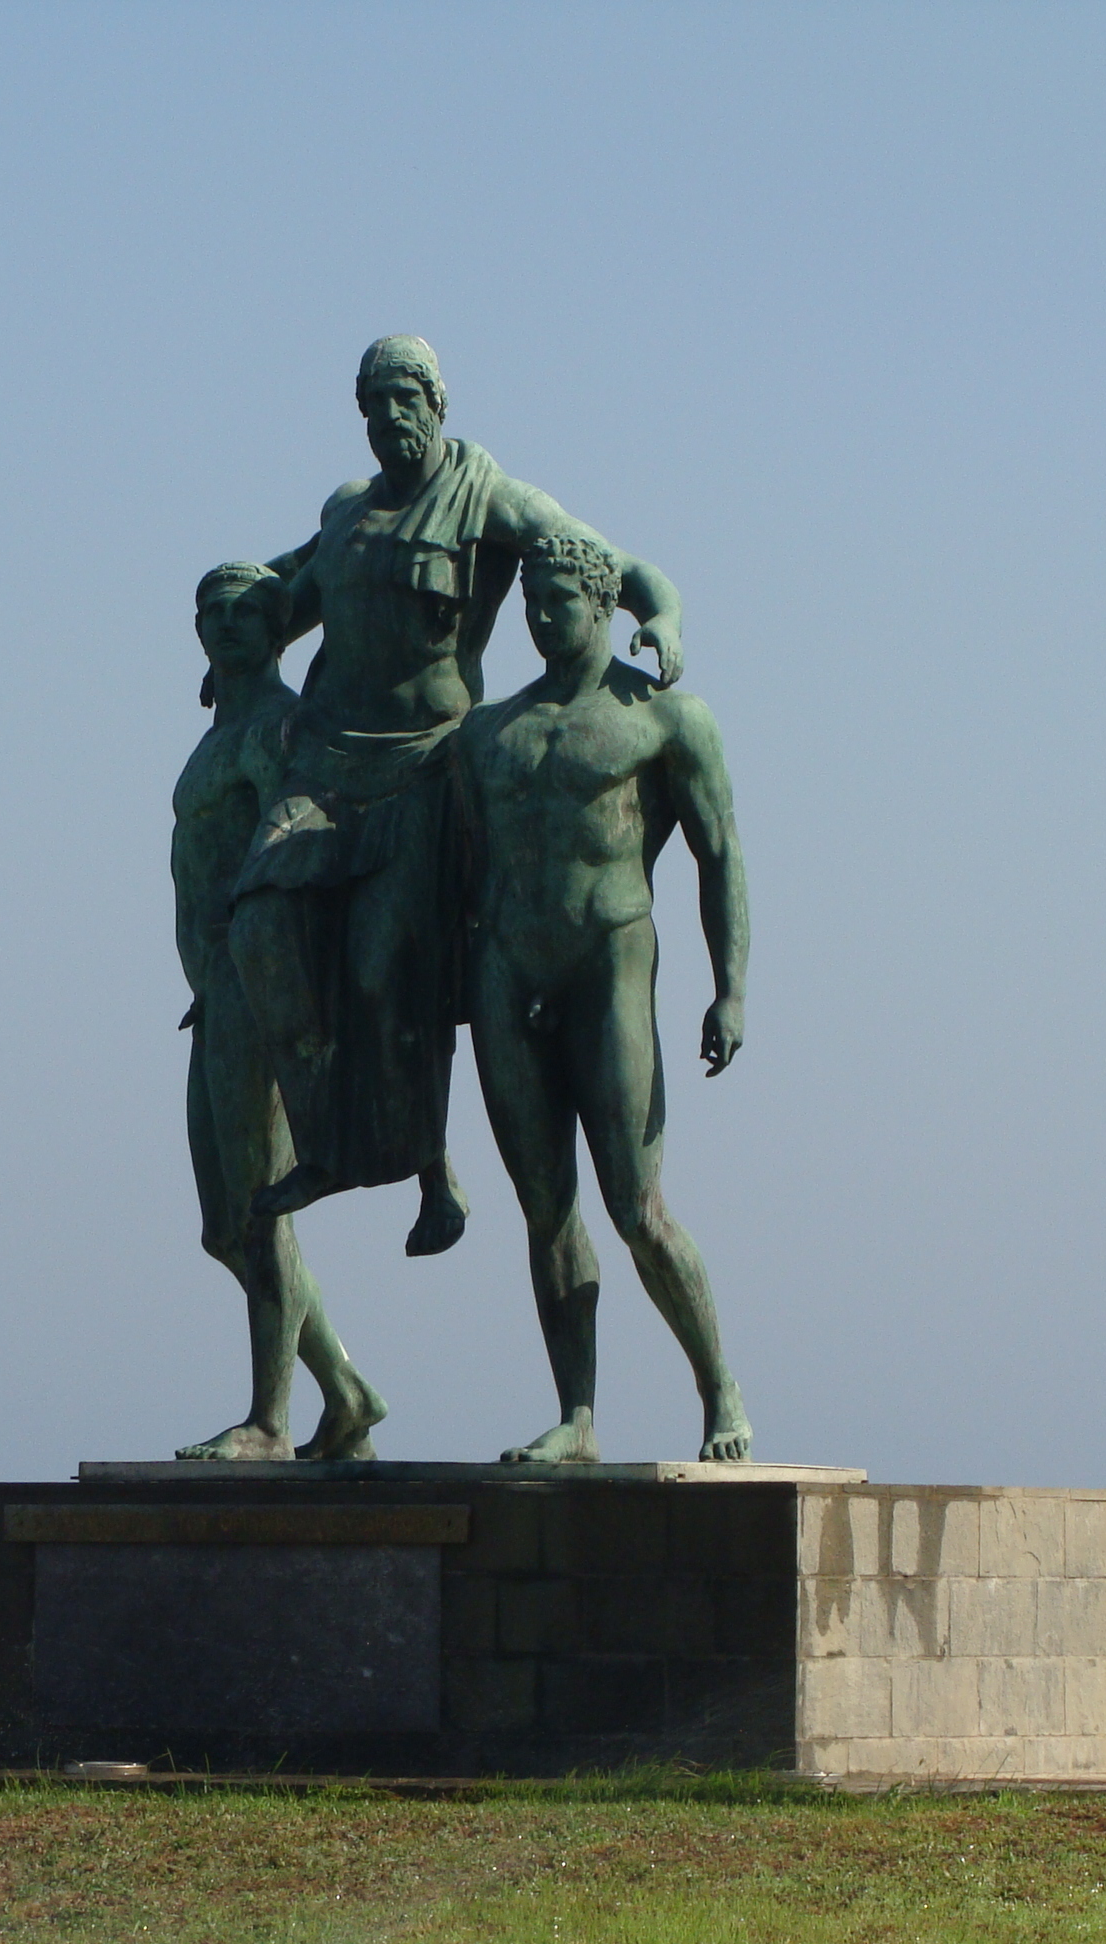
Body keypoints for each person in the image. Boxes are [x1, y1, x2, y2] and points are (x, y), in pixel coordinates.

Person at [228, 336, 686, 1258]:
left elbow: (610, 562)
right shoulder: (347, 512)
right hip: (324, 760)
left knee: (383, 961)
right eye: (372, 404)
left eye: (405, 399)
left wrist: (662, 613)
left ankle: (431, 1171)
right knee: (260, 930)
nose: (388, 418)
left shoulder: (488, 497)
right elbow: (291, 590)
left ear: (438, 403)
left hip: (426, 767)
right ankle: (323, 1142)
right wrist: (234, 629)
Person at [452, 534, 751, 1463]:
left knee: (636, 1207)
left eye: (559, 603)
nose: (542, 619)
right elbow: (460, 871)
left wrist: (730, 988)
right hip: (507, 972)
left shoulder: (664, 719)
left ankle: (720, 1390)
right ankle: (577, 1416)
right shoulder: (487, 732)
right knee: (545, 1208)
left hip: (609, 963)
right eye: (531, 603)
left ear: (602, 604)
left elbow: (720, 858)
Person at [168, 562, 385, 1461]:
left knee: (262, 1214)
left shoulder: (278, 730)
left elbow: (298, 849)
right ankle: (347, 1389)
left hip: (260, 991)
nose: (228, 624)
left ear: (278, 628)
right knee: (225, 1226)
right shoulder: (214, 740)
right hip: (211, 995)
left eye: (248, 612)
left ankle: (272, 1421)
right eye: (212, 612)